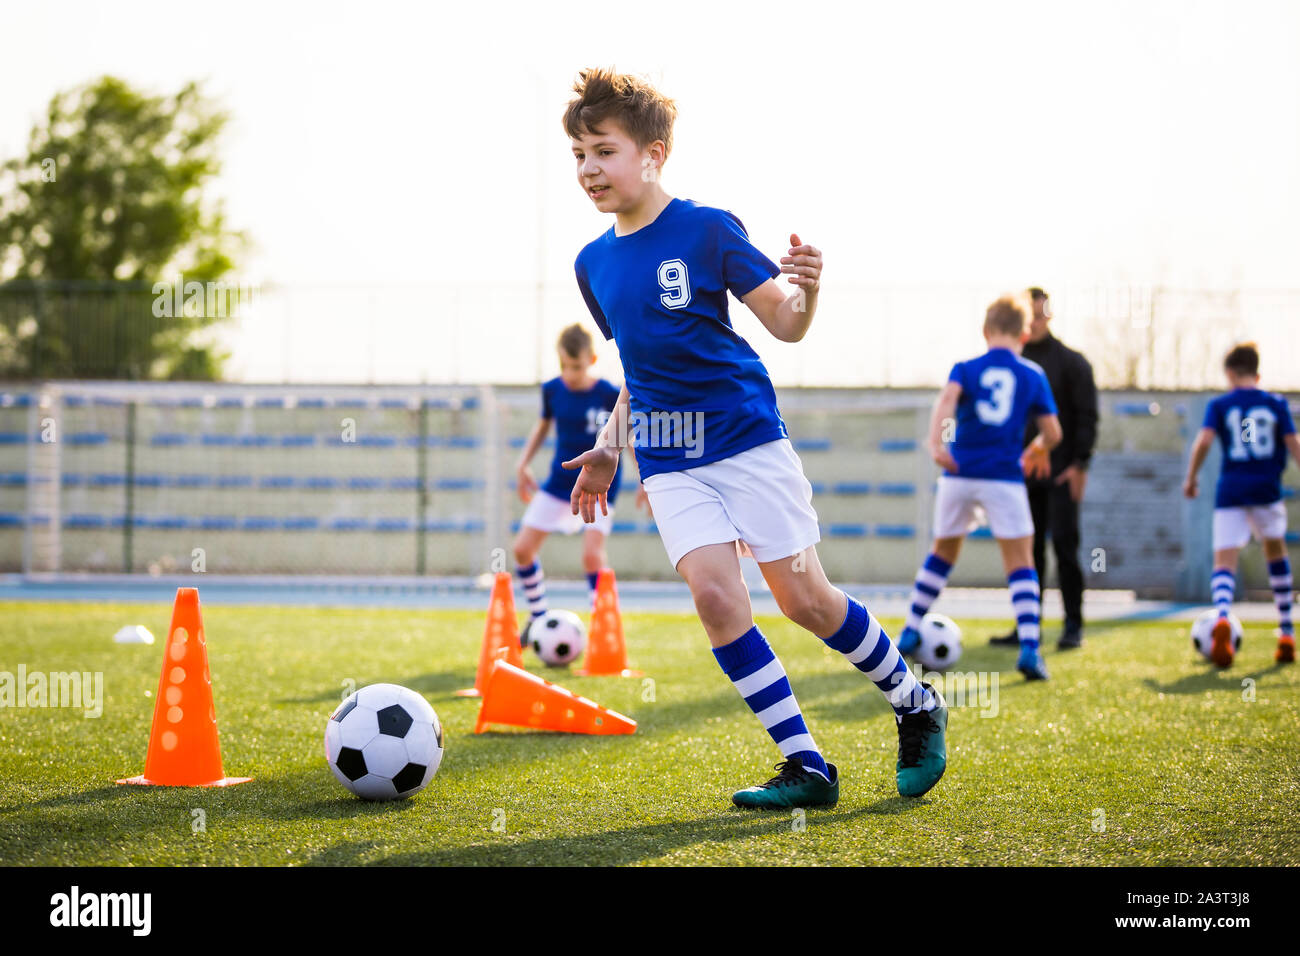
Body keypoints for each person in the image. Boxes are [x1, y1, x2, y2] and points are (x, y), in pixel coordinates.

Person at [559, 67, 948, 808]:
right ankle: (807, 766)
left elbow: (785, 324)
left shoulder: (709, 228)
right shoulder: (592, 262)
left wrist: (810, 288)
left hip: (745, 438)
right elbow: (637, 366)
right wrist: (612, 444)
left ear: (653, 153)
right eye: (578, 155)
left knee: (804, 598)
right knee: (715, 595)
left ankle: (915, 702)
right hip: (669, 457)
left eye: (603, 151)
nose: (588, 170)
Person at [896, 293, 1063, 680]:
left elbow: (948, 401)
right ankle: (1030, 649)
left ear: (985, 331)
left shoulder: (965, 368)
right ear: (1024, 333)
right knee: (1021, 563)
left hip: (960, 474)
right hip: (1004, 478)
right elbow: (1053, 432)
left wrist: (937, 443)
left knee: (942, 553)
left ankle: (908, 628)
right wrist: (1035, 449)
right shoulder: (1032, 374)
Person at [989, 287, 1098, 650]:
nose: (1034, 322)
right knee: (1027, 552)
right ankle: (1027, 628)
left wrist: (1079, 464)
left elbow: (1086, 417)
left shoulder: (1071, 363)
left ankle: (1073, 626)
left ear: (1048, 316)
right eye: (1028, 316)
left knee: (1066, 549)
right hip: (1020, 476)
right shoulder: (1007, 362)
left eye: (1039, 315)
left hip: (1061, 474)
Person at [1183, 342, 1299, 666]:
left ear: (1230, 374)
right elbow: (1294, 445)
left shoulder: (1221, 404)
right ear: (1258, 374)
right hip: (1266, 489)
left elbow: (1204, 441)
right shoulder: (1275, 403)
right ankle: (1287, 632)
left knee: (1225, 560)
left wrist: (1191, 478)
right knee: (1275, 555)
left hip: (1231, 490)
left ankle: (1222, 614)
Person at [513, 323, 630, 623]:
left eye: (576, 367)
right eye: (564, 366)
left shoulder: (608, 394)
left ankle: (603, 625)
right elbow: (542, 427)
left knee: (592, 556)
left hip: (598, 484)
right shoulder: (552, 390)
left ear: (591, 361)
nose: (570, 373)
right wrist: (523, 462)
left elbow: (623, 436)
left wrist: (644, 477)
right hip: (560, 482)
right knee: (522, 549)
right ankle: (538, 616)